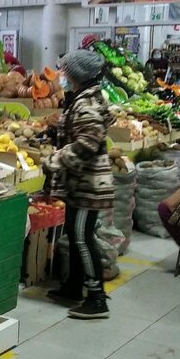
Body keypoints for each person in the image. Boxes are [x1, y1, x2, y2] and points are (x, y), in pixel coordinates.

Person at [42, 48, 115, 319]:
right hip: (80, 181)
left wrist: (55, 159)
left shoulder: (85, 103)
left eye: (64, 70)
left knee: (82, 237)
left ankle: (96, 298)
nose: (60, 74)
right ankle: (73, 286)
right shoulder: (85, 98)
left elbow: (87, 143)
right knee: (74, 233)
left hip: (89, 184)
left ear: (75, 75)